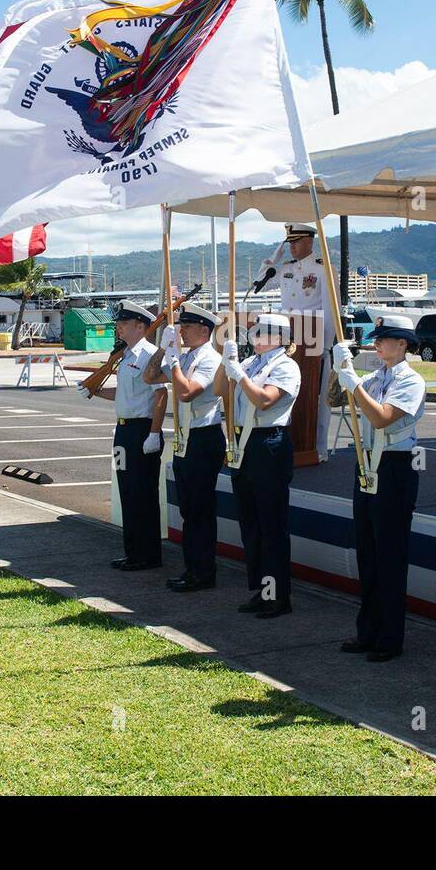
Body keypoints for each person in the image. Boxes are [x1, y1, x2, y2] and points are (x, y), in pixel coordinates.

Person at [332, 314, 426, 662]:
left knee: (390, 554)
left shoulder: (411, 381)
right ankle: (367, 630)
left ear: (402, 344)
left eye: (385, 338)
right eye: (378, 338)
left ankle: (390, 636)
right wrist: (338, 365)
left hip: (394, 467)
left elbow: (381, 417)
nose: (377, 343)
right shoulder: (374, 377)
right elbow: (334, 400)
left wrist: (353, 383)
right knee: (368, 553)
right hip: (367, 463)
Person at [213, 312, 300, 618]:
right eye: (254, 330)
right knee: (251, 523)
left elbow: (265, 400)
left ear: (279, 336)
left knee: (271, 524)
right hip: (242, 443)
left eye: (261, 331)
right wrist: (227, 362)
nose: (254, 335)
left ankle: (278, 596)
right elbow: (218, 391)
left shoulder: (286, 367)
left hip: (268, 443)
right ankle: (262, 591)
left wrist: (240, 375)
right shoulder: (250, 363)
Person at [80, 301, 167, 570]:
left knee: (143, 495)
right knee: (128, 493)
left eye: (123, 323)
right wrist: (93, 391)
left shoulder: (150, 355)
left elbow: (161, 395)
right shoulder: (127, 355)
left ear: (141, 326)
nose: (118, 327)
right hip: (124, 430)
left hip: (142, 431)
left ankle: (148, 556)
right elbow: (123, 394)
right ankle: (133, 552)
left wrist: (154, 434)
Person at [144, 302, 225, 592]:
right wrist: (163, 349)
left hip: (204, 437)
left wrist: (175, 361)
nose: (182, 332)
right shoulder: (185, 355)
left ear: (204, 330)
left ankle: (203, 572)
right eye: (181, 327)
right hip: (186, 439)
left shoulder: (209, 359)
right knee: (189, 510)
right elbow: (150, 377)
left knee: (200, 510)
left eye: (187, 327)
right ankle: (192, 569)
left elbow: (188, 392)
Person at [253, 223, 334, 462]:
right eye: (288, 243)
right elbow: (259, 284)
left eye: (296, 242)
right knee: (286, 392)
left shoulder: (322, 269)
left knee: (317, 397)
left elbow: (330, 308)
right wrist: (272, 259)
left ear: (310, 241)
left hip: (313, 341)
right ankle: (294, 444)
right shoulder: (286, 268)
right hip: (286, 340)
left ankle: (318, 448)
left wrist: (325, 345)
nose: (292, 247)